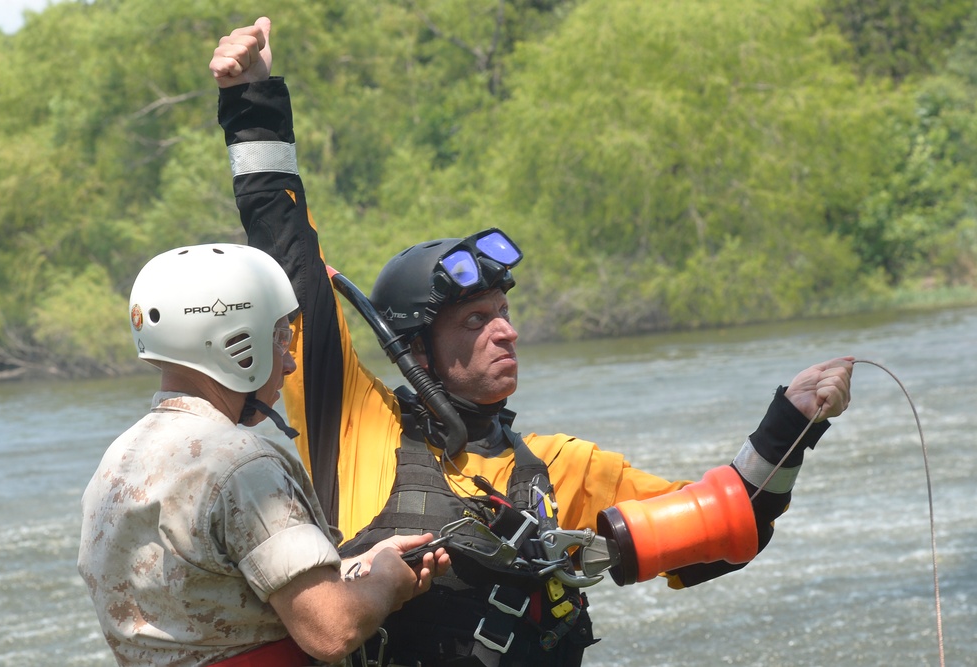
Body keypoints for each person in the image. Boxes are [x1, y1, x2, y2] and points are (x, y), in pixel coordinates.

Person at [210, 18, 854, 667]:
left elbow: (726, 532)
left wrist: (792, 424)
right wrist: (252, 102)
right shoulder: (355, 425)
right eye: (475, 319)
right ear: (417, 348)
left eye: (504, 312)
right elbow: (289, 253)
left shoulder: (562, 468)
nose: (506, 330)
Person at [78, 242, 449, 667]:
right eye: (279, 339)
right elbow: (331, 630)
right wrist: (386, 582)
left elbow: (221, 593)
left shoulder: (118, 461)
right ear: (236, 344)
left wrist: (363, 563)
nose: (289, 363)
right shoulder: (242, 464)